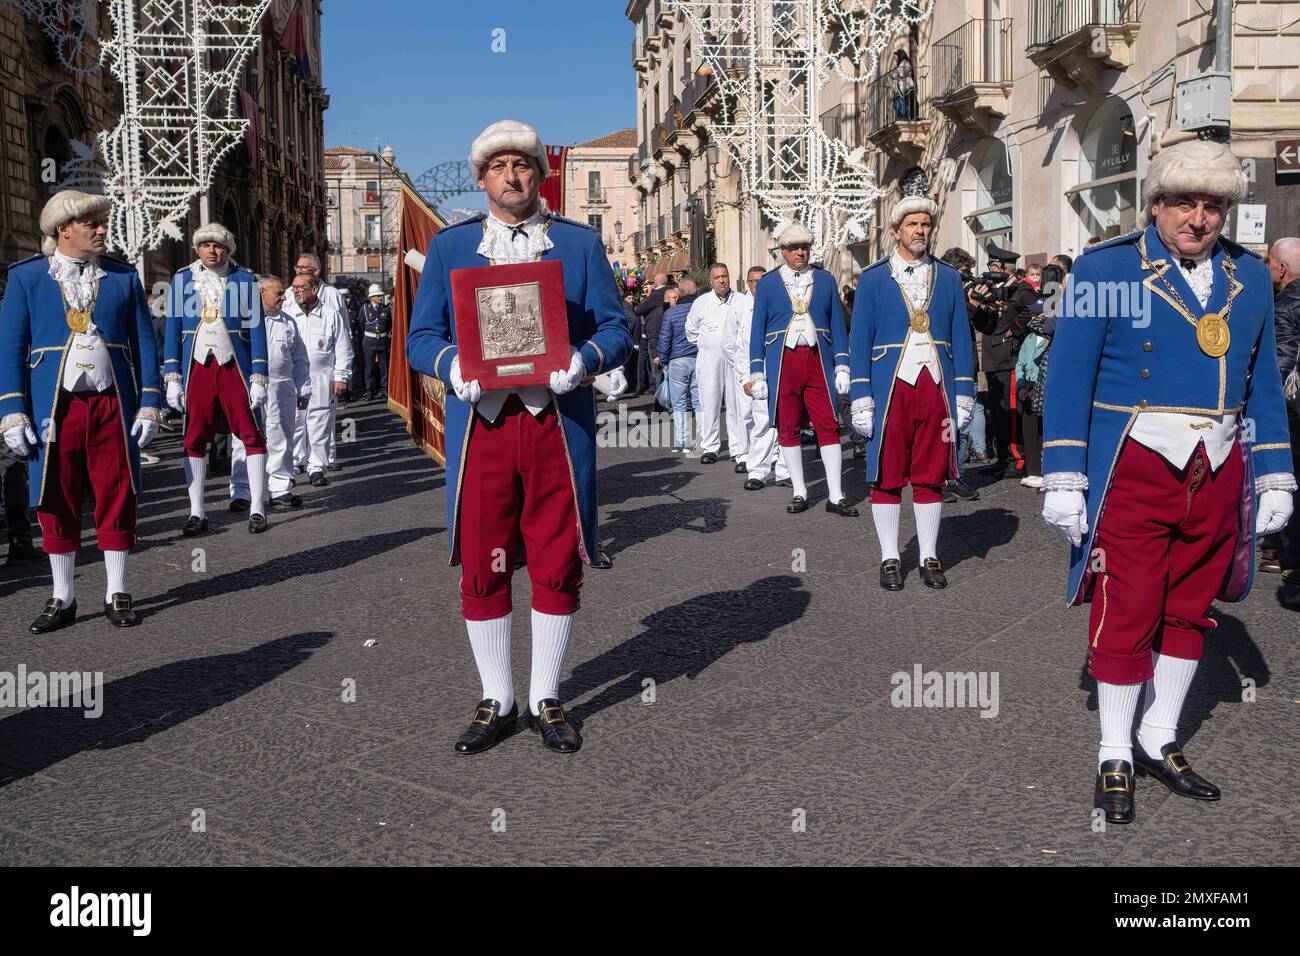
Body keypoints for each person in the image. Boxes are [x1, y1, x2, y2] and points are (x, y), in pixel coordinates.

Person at [1041, 140, 1295, 824]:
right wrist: (1064, 474)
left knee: (1189, 607)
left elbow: (1262, 382)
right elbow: (1068, 378)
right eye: (1185, 202)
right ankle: (1115, 750)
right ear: (1156, 203)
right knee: (1127, 608)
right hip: (1133, 465)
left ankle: (1159, 737)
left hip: (1216, 469)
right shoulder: (1105, 268)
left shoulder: (1247, 276)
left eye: (1213, 205)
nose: (1199, 218)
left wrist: (1275, 472)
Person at [406, 119, 632, 755]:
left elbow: (617, 329)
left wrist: (585, 358)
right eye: (499, 167)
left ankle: (546, 697)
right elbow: (420, 338)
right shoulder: (452, 249)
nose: (512, 176)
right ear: (482, 180)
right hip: (483, 429)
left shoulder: (579, 245)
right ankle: (497, 697)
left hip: (557, 427)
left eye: (523, 166)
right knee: (485, 561)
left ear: (540, 175)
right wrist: (453, 365)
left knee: (558, 559)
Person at [0, 190, 163, 630]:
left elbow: (144, 344)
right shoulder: (27, 277)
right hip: (54, 406)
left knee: (116, 489)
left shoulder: (123, 277)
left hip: (112, 401)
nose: (102, 229)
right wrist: (12, 410)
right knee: (56, 495)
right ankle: (62, 596)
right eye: (92, 223)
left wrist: (149, 402)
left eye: (102, 222)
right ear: (64, 229)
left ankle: (117, 590)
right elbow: (11, 349)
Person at [850, 193, 974, 590]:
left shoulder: (950, 277)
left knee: (931, 472)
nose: (920, 231)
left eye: (925, 224)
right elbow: (859, 341)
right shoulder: (871, 279)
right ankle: (889, 558)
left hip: (936, 385)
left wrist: (964, 392)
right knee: (886, 474)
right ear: (895, 231)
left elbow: (962, 337)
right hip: (890, 388)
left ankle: (928, 556)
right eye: (913, 225)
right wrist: (861, 396)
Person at [748, 222, 856, 516]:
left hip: (818, 361)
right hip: (782, 364)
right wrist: (757, 371)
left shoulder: (825, 279)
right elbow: (757, 330)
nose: (800, 253)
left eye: (804, 247)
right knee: (788, 427)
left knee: (829, 425)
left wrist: (843, 363)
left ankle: (836, 494)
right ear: (782, 251)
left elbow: (837, 324)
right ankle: (799, 491)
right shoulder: (769, 283)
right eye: (794, 248)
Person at [232, 276, 310, 509]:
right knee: (243, 438)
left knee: (281, 437)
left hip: (281, 386)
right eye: (278, 294)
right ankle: (241, 490)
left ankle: (280, 487)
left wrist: (303, 390)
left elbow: (300, 359)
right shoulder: (242, 322)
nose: (284, 297)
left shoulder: (288, 322)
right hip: (248, 387)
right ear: (261, 295)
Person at [284, 272, 352, 486]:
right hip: (293, 376)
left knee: (319, 422)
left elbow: (343, 348)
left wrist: (341, 376)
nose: (295, 290)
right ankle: (294, 463)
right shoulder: (287, 313)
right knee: (294, 421)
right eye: (293, 287)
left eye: (300, 287)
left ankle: (316, 467)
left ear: (314, 290)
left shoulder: (330, 314)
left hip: (321, 376)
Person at [1260, 236, 1300, 577]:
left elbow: (1281, 361)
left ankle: (1286, 549)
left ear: (1282, 269)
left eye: (1270, 263)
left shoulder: (1287, 304)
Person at [729, 266, 788, 489]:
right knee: (761, 423)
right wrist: (746, 377)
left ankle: (785, 470)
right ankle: (757, 471)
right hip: (759, 375)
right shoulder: (747, 313)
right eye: (755, 282)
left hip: (783, 372)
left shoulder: (782, 307)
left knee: (787, 424)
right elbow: (742, 348)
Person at [969, 242, 1024, 477]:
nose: (990, 269)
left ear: (1004, 267)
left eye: (993, 265)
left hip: (1008, 357)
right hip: (992, 359)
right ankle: (1002, 457)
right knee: (998, 413)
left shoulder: (1019, 290)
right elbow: (981, 324)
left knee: (1010, 412)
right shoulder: (992, 291)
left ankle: (1017, 458)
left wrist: (1014, 333)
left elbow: (1033, 314)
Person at [685, 263, 747, 466]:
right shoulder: (702, 303)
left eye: (725, 276)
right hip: (709, 363)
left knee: (735, 405)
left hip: (735, 362)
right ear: (711, 281)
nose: (722, 280)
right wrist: (708, 344)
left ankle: (738, 448)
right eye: (718, 277)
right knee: (709, 404)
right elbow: (691, 331)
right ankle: (710, 447)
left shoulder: (741, 301)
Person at [658, 285, 700, 453]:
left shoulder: (671, 313)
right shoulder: (700, 309)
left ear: (680, 294)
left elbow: (664, 339)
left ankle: (683, 442)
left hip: (677, 360)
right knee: (699, 401)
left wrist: (663, 360)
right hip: (699, 358)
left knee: (679, 403)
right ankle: (704, 441)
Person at [634, 271, 670, 396]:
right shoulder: (670, 291)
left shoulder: (657, 294)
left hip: (654, 333)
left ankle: (660, 399)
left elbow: (640, 310)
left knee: (657, 369)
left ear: (655, 283)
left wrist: (649, 295)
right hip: (665, 332)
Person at [358, 283, 392, 400]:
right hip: (369, 341)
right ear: (371, 297)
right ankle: (369, 390)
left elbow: (388, 325)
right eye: (377, 295)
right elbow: (361, 325)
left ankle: (384, 389)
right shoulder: (364, 309)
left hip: (382, 341)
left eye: (380, 295)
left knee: (384, 367)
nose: (380, 297)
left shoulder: (385, 309)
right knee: (369, 368)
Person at [891, 49, 916, 122]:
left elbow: (901, 74)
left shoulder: (905, 63)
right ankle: (902, 119)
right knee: (900, 107)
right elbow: (893, 75)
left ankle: (906, 119)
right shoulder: (899, 65)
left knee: (904, 106)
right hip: (899, 90)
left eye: (896, 57)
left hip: (906, 88)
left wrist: (896, 74)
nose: (895, 59)